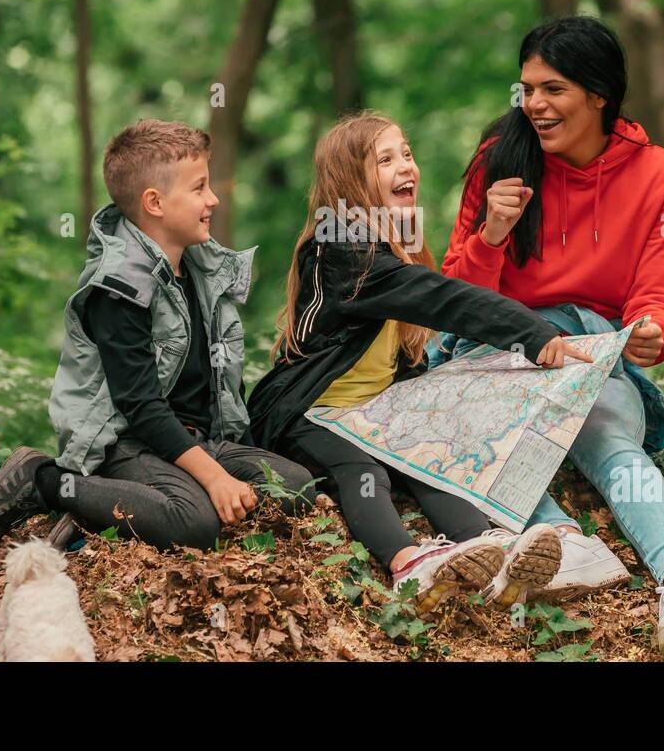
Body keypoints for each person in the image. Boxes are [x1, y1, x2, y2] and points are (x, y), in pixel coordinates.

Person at [441, 15, 664, 659]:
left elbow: (659, 292)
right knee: (492, 450)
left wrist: (654, 329)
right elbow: (454, 294)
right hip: (500, 347)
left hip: (590, 351)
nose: (534, 104)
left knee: (609, 441)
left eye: (554, 88)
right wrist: (492, 234)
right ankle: (566, 545)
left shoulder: (660, 176)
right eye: (528, 88)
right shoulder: (499, 160)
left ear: (599, 94)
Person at [248, 112, 591, 613]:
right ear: (349, 181)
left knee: (430, 462)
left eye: (406, 153)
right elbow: (441, 298)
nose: (406, 165)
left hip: (370, 411)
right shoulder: (340, 246)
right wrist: (531, 334)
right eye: (385, 159)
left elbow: (413, 339)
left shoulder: (399, 245)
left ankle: (493, 551)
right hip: (306, 413)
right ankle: (409, 563)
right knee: (362, 469)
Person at [0, 119, 314, 554]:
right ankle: (46, 482)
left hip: (195, 440)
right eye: (200, 188)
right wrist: (216, 479)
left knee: (296, 489)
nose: (214, 199)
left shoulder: (202, 268)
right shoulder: (119, 287)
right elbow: (140, 406)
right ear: (155, 202)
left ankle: (109, 511)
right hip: (126, 442)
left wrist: (232, 467)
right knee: (194, 524)